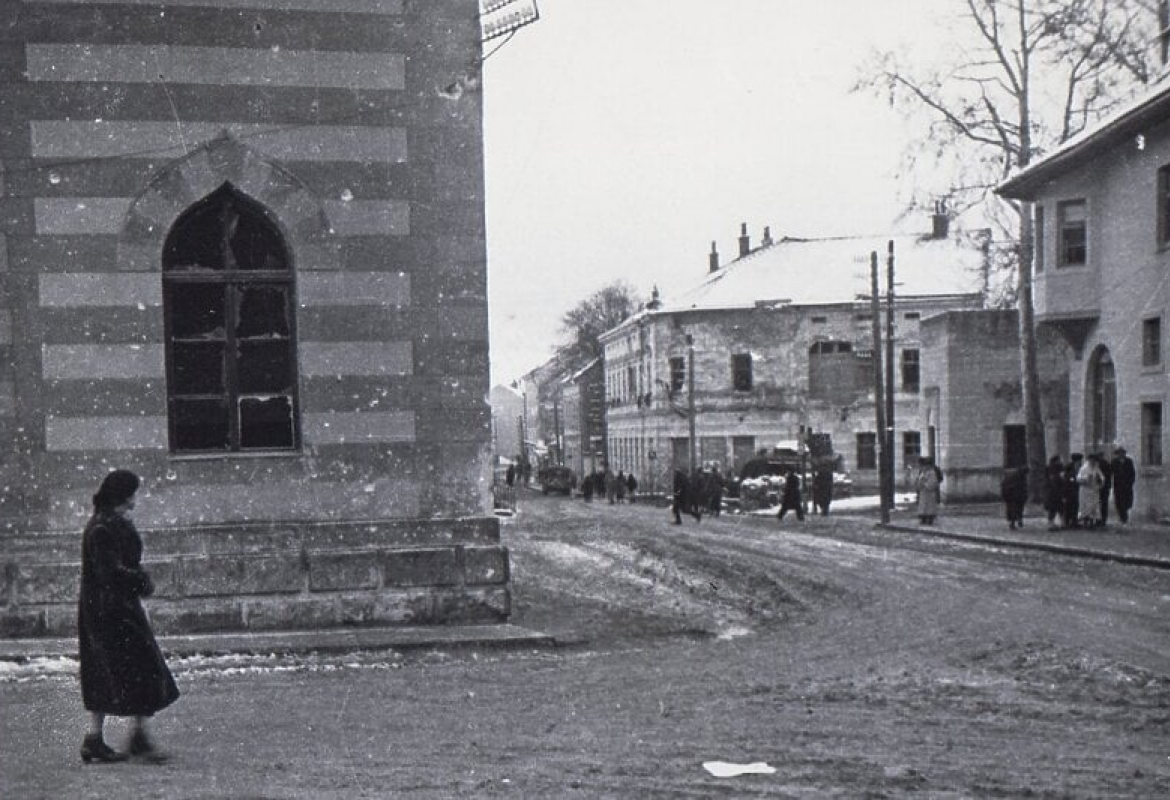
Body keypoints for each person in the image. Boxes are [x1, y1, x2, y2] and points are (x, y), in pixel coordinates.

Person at [78, 469, 179, 764]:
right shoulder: (103, 528)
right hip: (110, 611)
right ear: (122, 496)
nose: (136, 499)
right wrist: (141, 581)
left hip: (112, 609)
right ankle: (123, 738)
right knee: (124, 670)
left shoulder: (109, 524)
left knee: (114, 671)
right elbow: (110, 573)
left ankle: (115, 737)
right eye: (132, 493)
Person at [1076, 453, 1105, 528]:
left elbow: (1102, 477)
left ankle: (1092, 522)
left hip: (1094, 490)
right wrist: (1086, 478)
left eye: (1094, 460)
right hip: (1085, 490)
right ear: (1089, 460)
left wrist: (1100, 480)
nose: (1093, 462)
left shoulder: (1096, 468)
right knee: (1086, 507)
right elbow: (1078, 478)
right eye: (1092, 460)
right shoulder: (1083, 468)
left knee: (1094, 506)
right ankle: (1086, 522)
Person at [1111, 447, 1136, 524]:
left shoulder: (1129, 461)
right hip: (1118, 485)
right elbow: (1111, 472)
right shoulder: (1114, 462)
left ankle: (1124, 516)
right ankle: (1123, 518)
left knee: (1127, 502)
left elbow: (1132, 473)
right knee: (1119, 502)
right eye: (1119, 453)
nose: (1120, 455)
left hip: (1127, 485)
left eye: (1122, 453)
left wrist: (1130, 482)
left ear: (1124, 454)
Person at [915, 457, 942, 525]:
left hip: (930, 493)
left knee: (930, 507)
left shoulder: (932, 472)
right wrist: (919, 484)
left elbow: (933, 482)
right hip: (923, 492)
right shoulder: (922, 472)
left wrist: (925, 484)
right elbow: (919, 480)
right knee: (923, 506)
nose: (924, 467)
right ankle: (923, 518)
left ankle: (930, 519)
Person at [1043, 455, 1065, 530]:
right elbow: (1055, 480)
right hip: (1054, 492)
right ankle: (1052, 524)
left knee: (1058, 508)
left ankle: (1057, 523)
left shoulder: (1052, 469)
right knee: (1054, 508)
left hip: (1054, 492)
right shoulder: (1053, 470)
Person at [1062, 454, 1083, 528]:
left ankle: (1074, 521)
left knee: (1075, 506)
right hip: (1069, 491)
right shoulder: (1069, 469)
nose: (1080, 462)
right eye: (1079, 461)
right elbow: (1068, 480)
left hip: (1075, 491)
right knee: (1068, 507)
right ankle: (1067, 522)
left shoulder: (1078, 467)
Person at [1097, 451, 1113, 527]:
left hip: (1103, 487)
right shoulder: (1098, 464)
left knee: (1103, 503)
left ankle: (1102, 519)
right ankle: (1101, 519)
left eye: (1100, 456)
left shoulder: (1105, 464)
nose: (1100, 458)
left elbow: (1108, 475)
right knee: (1101, 503)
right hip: (1100, 487)